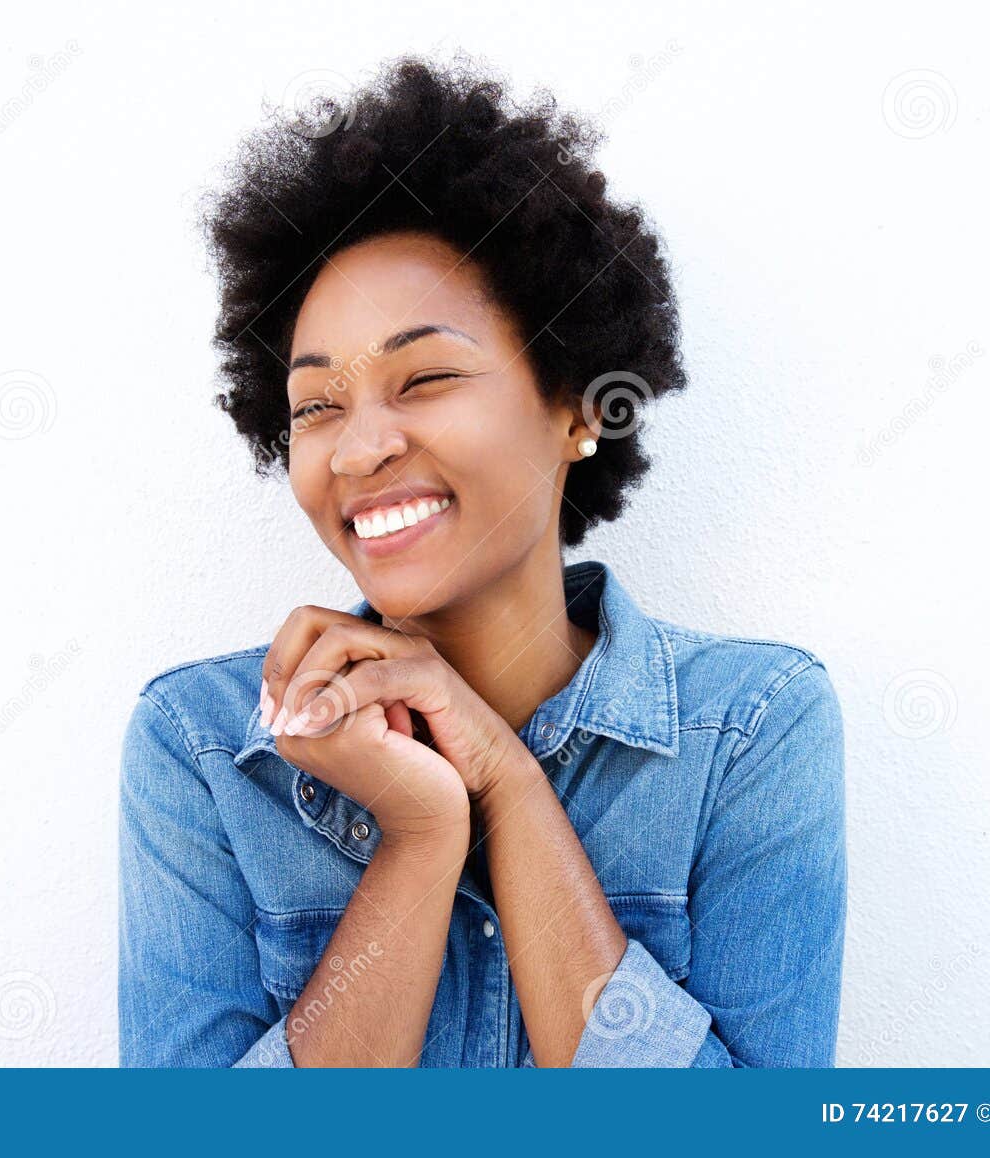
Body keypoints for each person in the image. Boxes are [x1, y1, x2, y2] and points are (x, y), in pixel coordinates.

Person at [118, 53, 845, 1067]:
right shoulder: (205, 747)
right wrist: (420, 839)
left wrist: (505, 781)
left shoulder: (750, 728)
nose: (359, 448)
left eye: (424, 378)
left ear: (578, 407)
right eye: (317, 405)